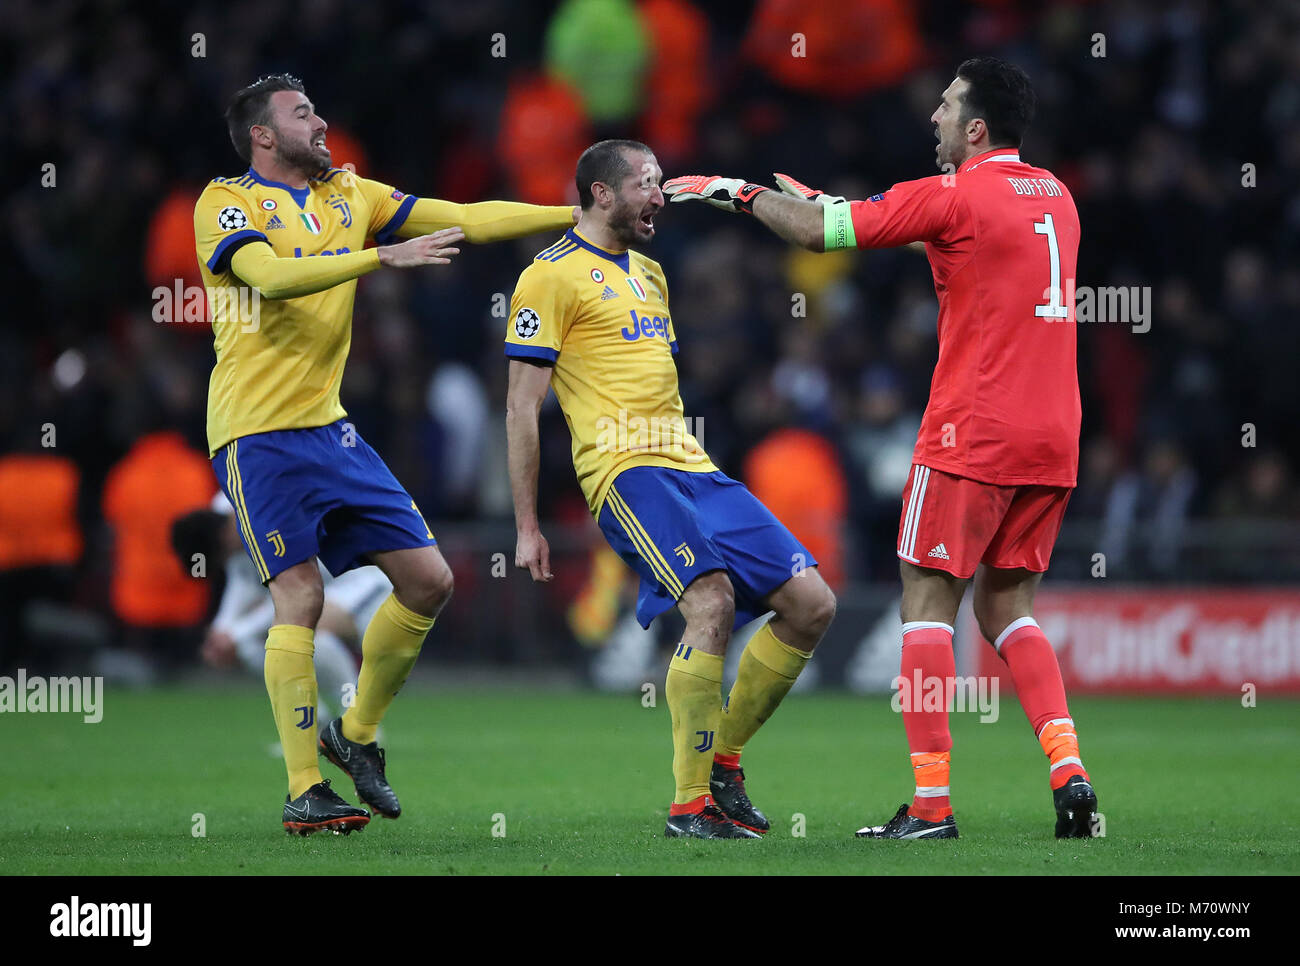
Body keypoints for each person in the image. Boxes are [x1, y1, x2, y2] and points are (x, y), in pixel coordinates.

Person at [663, 57, 1098, 839]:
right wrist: (844, 206)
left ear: (974, 128)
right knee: (1008, 607)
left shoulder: (954, 193)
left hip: (973, 430)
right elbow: (958, 245)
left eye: (945, 106)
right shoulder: (1057, 197)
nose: (931, 116)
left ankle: (932, 807)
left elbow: (821, 236)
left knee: (927, 606)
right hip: (1055, 434)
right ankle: (1069, 771)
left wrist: (736, 193)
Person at [195, 73, 578, 835]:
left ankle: (358, 736)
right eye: (302, 113)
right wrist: (381, 262)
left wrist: (581, 211)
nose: (322, 119)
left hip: (329, 428)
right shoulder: (224, 201)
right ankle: (305, 789)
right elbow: (267, 278)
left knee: (430, 581)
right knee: (299, 596)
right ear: (263, 135)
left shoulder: (350, 195)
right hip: (256, 432)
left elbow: (469, 217)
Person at [505, 139, 837, 839]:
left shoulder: (652, 275)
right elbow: (520, 408)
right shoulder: (548, 277)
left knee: (812, 604)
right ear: (601, 194)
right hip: (623, 469)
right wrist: (527, 524)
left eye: (662, 183)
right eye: (649, 184)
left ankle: (724, 765)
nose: (664, 196)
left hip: (690, 463)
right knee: (709, 602)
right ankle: (690, 807)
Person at [171, 493, 392, 729]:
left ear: (223, 535)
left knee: (311, 630)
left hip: (362, 577)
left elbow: (294, 594)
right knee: (256, 646)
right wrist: (222, 630)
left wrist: (234, 634)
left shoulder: (269, 517)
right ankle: (317, 728)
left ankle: (359, 725)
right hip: (321, 588)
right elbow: (242, 578)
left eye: (224, 553)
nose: (232, 556)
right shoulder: (227, 512)